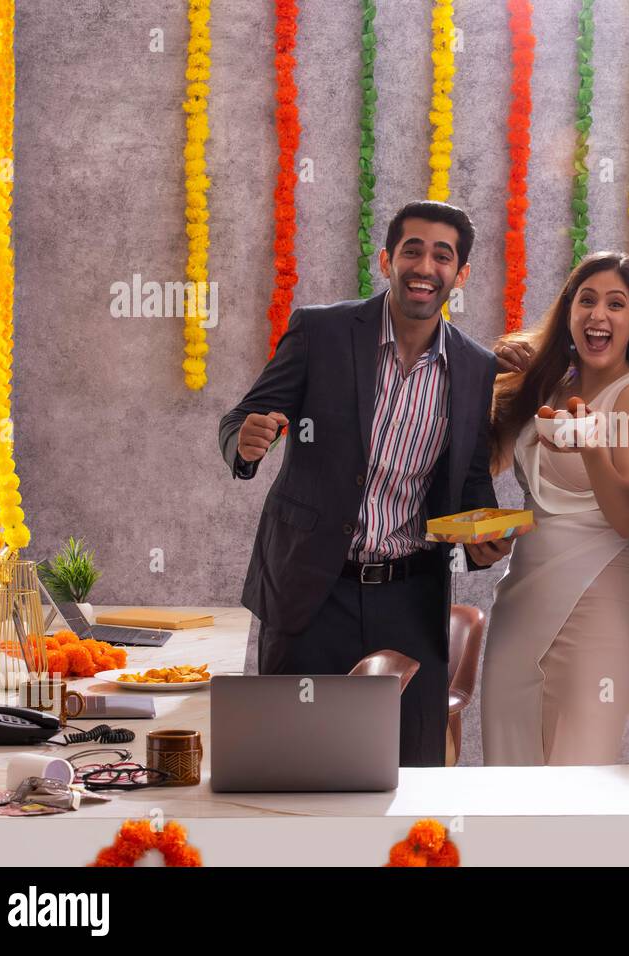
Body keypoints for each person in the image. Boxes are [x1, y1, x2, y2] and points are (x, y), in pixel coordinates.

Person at [218, 199, 511, 767]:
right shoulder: (320, 331)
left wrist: (483, 537)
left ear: (461, 274)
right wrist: (244, 441)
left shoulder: (476, 368)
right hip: (308, 592)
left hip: (411, 598)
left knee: (408, 774)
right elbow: (242, 419)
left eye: (442, 256)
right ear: (387, 260)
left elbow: (471, 479)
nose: (425, 266)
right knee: (292, 767)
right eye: (412, 250)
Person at [482, 252, 629, 765]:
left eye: (615, 303)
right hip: (519, 605)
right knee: (508, 773)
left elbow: (628, 518)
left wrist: (590, 443)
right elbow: (485, 459)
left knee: (576, 780)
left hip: (595, 611)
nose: (597, 315)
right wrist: (486, 370)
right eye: (585, 300)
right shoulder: (550, 385)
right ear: (568, 312)